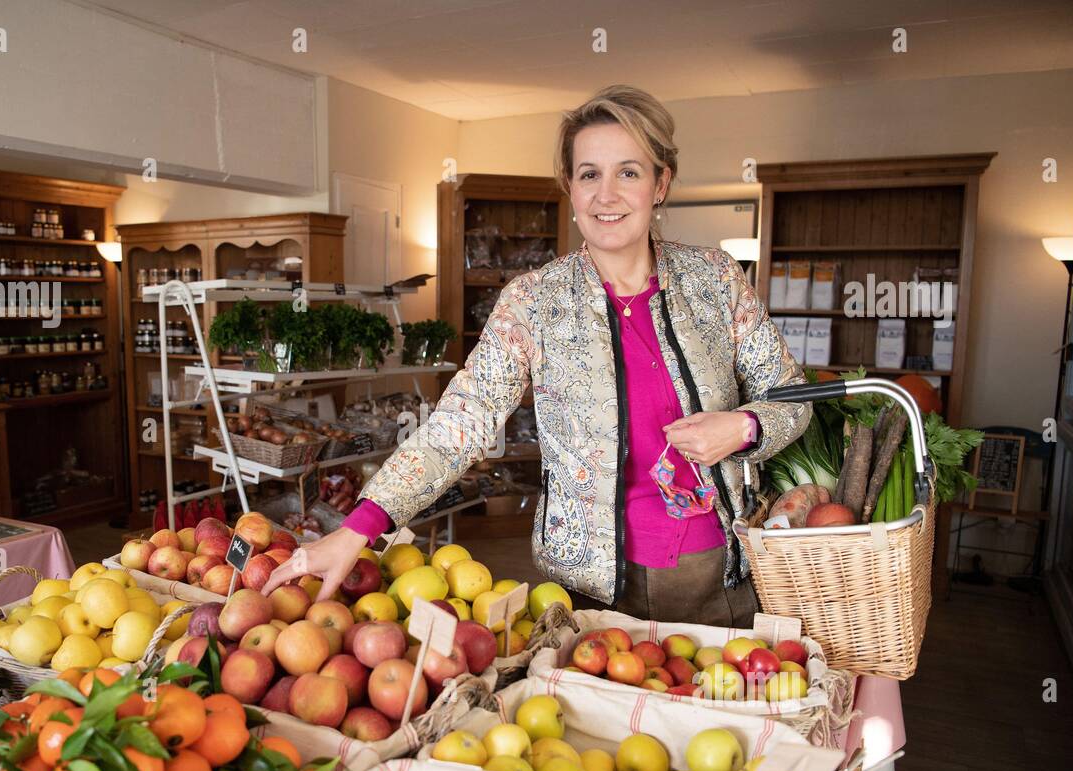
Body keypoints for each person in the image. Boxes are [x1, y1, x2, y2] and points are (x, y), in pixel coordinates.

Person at [262, 84, 809, 627]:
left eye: (629, 172)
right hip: (586, 592)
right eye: (589, 173)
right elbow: (461, 421)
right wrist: (359, 527)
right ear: (570, 187)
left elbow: (794, 397)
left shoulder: (714, 279)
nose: (606, 194)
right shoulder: (533, 302)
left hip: (717, 575)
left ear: (660, 184)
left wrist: (743, 427)